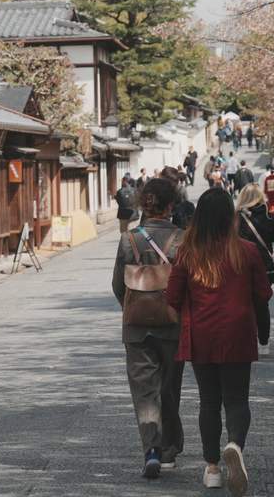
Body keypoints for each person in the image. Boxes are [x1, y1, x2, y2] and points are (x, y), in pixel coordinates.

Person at [166, 188, 272, 496]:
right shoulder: (247, 251)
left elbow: (172, 297)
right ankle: (234, 445)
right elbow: (263, 295)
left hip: (201, 335)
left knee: (209, 402)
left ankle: (212, 468)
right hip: (237, 333)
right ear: (230, 216)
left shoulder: (188, 252)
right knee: (237, 400)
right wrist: (262, 332)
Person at [112, 178, 186, 479]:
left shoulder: (128, 240)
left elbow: (118, 285)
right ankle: (169, 448)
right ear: (171, 206)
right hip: (172, 325)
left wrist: (134, 306)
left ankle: (151, 450)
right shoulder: (183, 238)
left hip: (137, 328)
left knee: (145, 392)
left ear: (145, 204)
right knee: (169, 388)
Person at [235, 183, 274, 356]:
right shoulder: (269, 216)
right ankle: (264, 342)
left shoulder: (236, 218)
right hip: (264, 266)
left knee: (241, 303)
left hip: (241, 265)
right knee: (262, 304)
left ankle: (244, 339)